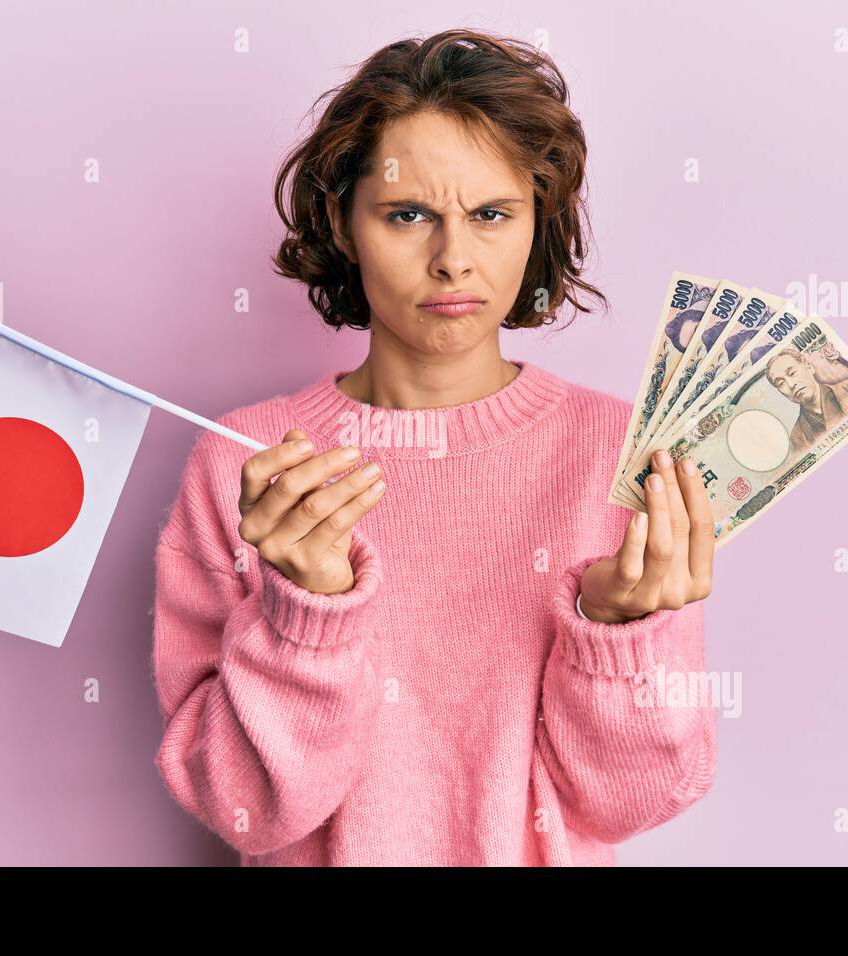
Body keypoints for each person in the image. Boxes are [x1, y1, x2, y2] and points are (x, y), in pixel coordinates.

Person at [150, 29, 717, 866]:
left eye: (491, 214)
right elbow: (240, 809)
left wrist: (619, 630)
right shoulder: (248, 461)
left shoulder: (625, 455)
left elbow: (628, 802)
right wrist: (306, 614)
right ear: (344, 226)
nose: (454, 261)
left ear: (537, 226)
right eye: (407, 214)